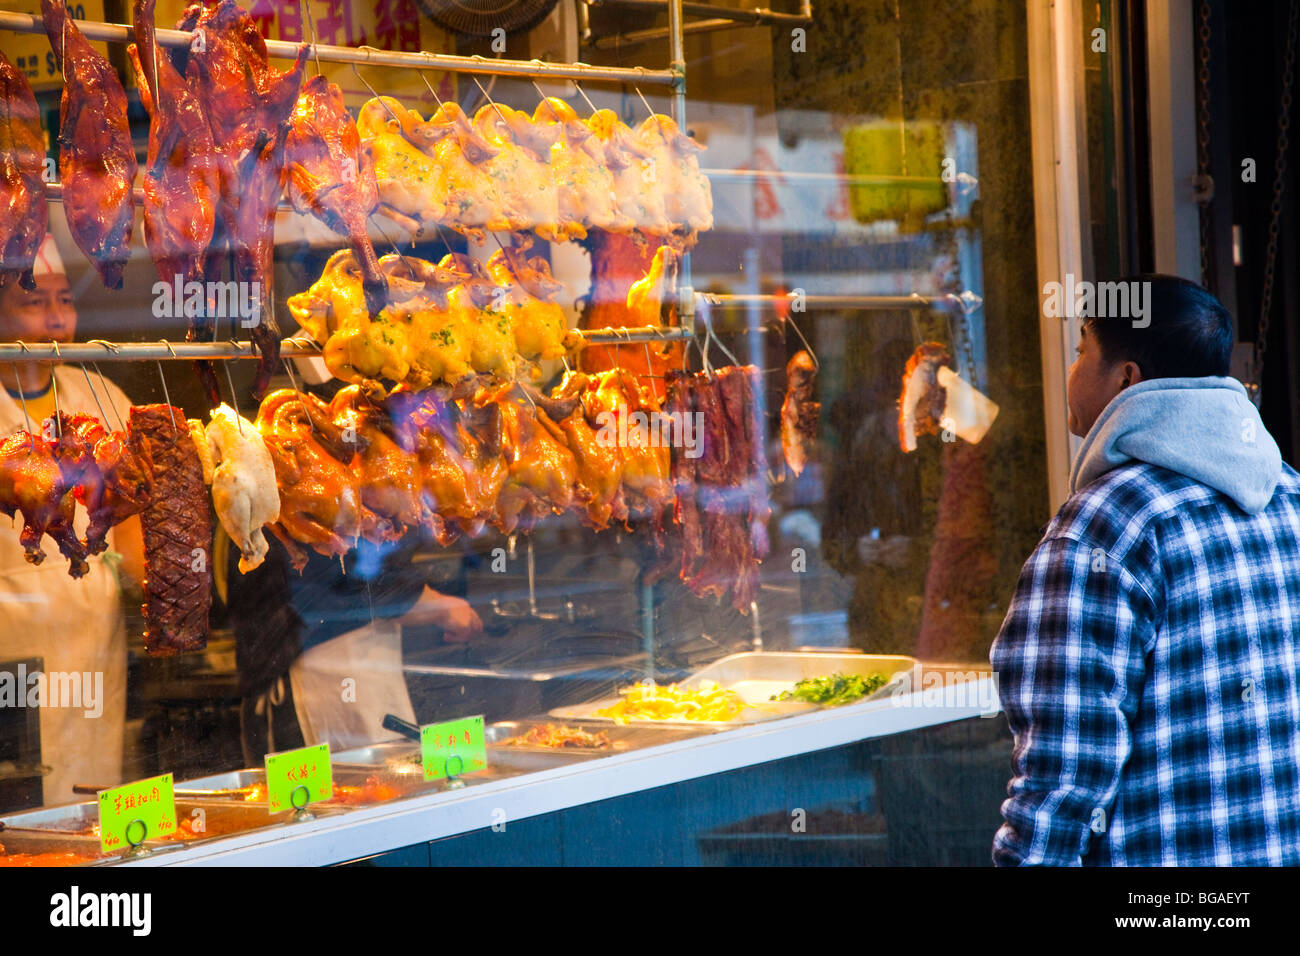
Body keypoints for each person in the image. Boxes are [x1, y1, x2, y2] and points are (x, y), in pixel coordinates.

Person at [991, 275, 1300, 865]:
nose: (1072, 370)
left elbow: (1062, 773)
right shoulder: (1290, 499)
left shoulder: (1105, 526)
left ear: (1126, 378)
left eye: (1081, 351)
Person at [0, 234, 143, 808]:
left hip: (93, 647)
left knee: (89, 803)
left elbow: (131, 520)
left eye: (66, 300)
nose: (58, 319)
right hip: (12, 651)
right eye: (37, 302)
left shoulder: (101, 395)